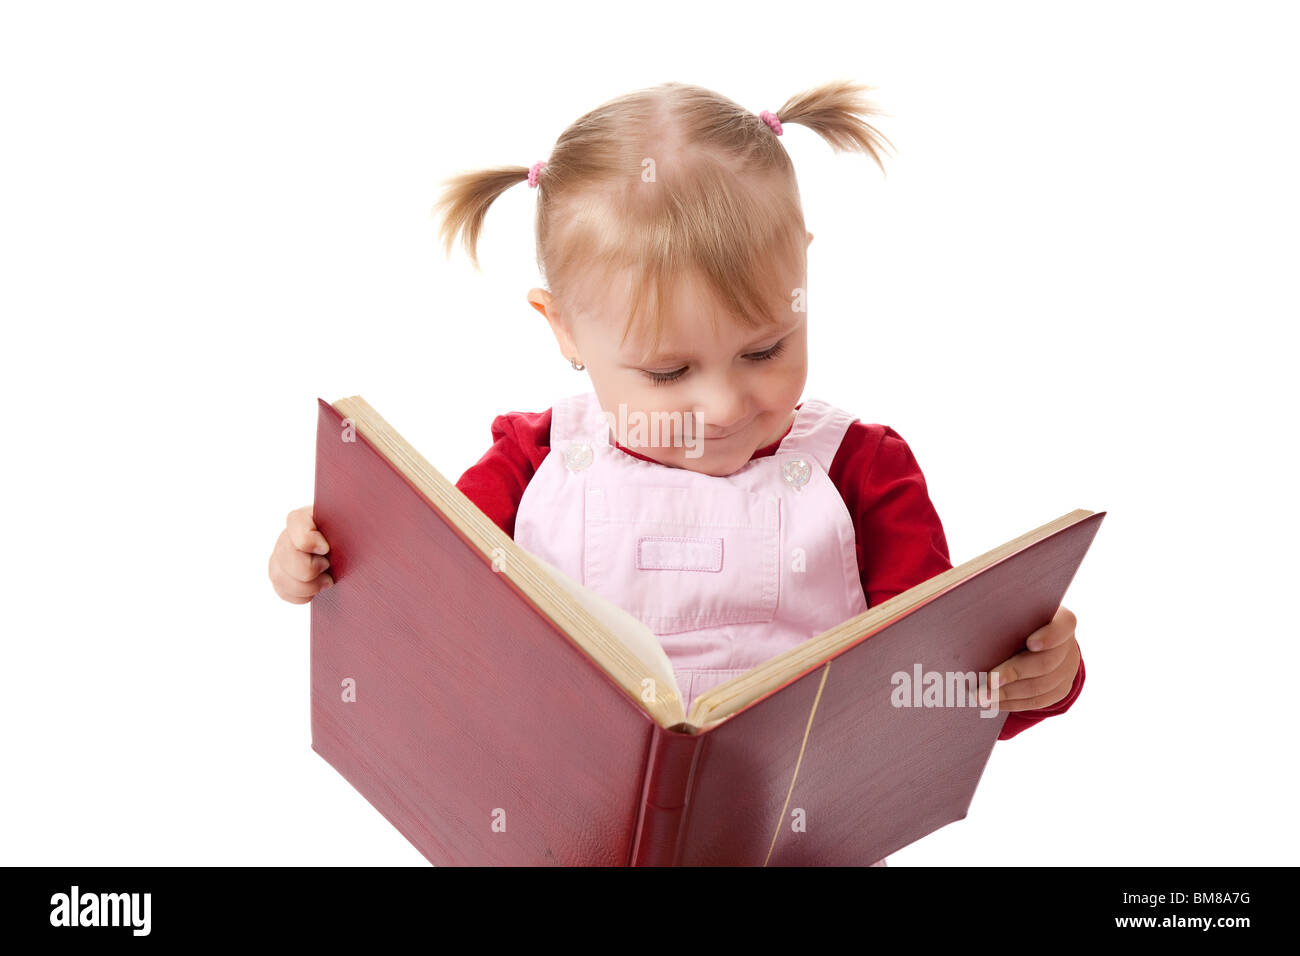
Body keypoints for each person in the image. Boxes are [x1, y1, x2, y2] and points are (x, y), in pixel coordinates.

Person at [268, 80, 1085, 865]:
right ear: (565, 331)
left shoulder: (863, 472)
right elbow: (424, 611)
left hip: (802, 848)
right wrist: (324, 561)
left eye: (765, 350)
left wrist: (1033, 677)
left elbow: (933, 677)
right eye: (667, 373)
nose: (725, 405)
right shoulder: (531, 463)